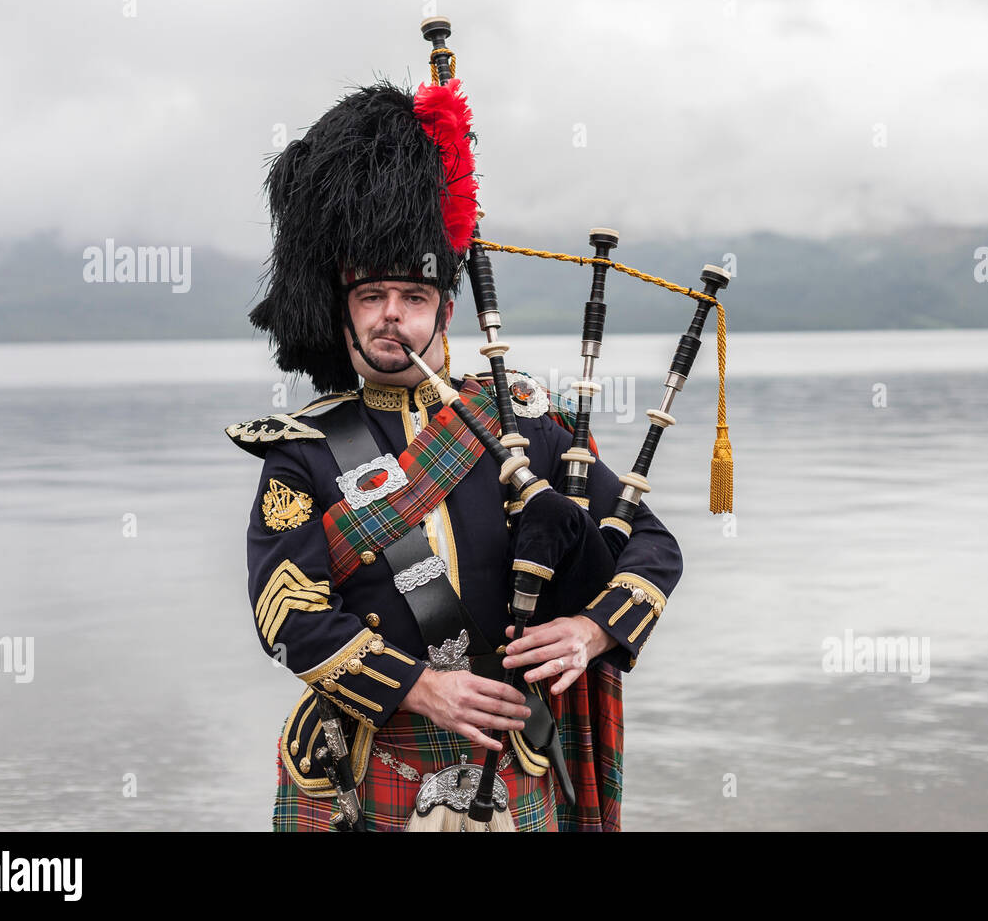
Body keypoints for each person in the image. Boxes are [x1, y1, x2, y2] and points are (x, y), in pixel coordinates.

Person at [225, 79, 681, 831]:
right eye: (371, 297)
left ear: (445, 308)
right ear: (342, 312)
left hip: (516, 760)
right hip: (373, 756)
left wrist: (590, 631)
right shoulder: (303, 453)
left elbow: (652, 549)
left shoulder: (522, 423)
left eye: (411, 295)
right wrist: (417, 686)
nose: (391, 316)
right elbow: (289, 615)